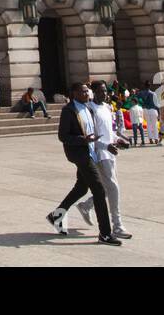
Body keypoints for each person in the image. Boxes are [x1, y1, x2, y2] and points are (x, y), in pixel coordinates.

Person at [47, 83, 119, 246]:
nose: (87, 94)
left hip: (90, 152)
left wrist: (107, 145)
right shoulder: (69, 110)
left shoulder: (88, 108)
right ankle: (105, 234)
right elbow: (63, 136)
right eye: (83, 91)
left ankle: (56, 215)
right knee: (99, 189)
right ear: (74, 93)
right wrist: (82, 140)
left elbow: (94, 134)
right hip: (79, 154)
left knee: (81, 188)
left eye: (88, 91)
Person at [75, 82, 133, 241]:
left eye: (105, 91)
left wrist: (119, 140)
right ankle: (117, 226)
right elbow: (91, 135)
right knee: (113, 187)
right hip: (99, 153)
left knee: (108, 189)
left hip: (110, 151)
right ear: (93, 92)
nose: (104, 94)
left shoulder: (107, 107)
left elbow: (109, 131)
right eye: (100, 91)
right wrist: (105, 146)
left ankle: (86, 206)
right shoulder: (90, 109)